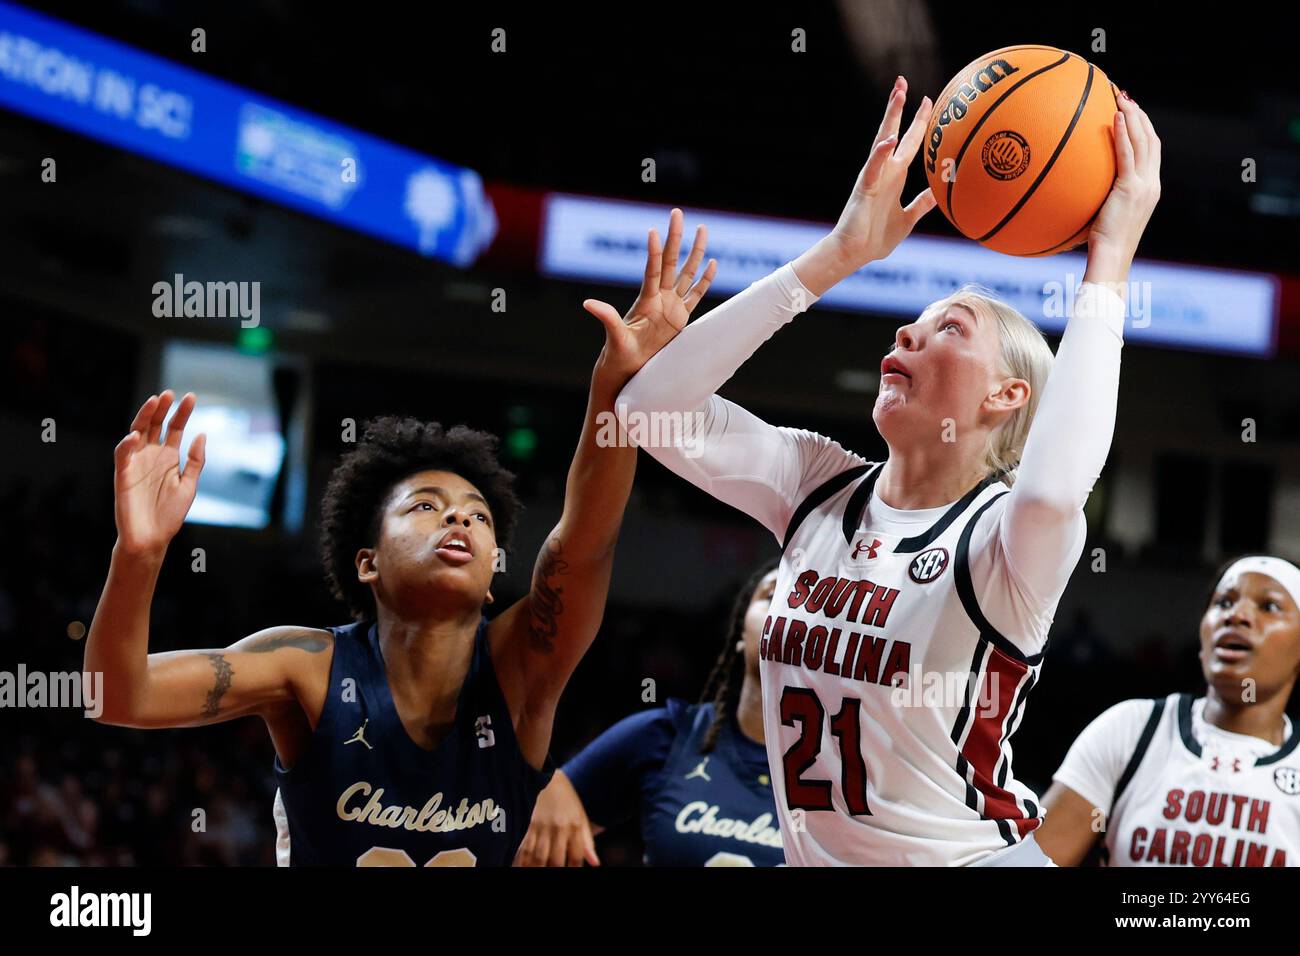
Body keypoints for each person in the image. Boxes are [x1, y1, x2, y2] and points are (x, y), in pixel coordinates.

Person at [612, 77, 1161, 865]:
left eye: (950, 329)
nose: (907, 332)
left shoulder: (1004, 538)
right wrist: (838, 256)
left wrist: (1110, 260)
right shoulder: (817, 484)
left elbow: (1051, 490)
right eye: (912, 321)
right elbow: (646, 411)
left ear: (1006, 396)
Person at [83, 212, 718, 866]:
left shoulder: (521, 662)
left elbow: (585, 541)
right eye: (425, 506)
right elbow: (115, 697)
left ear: (493, 569)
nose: (459, 520)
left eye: (478, 516)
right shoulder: (306, 666)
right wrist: (139, 554)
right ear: (368, 563)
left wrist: (617, 388)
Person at [1037, 555, 1300, 867]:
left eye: (1269, 606)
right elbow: (1034, 860)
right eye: (1224, 603)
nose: (1237, 615)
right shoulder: (1131, 729)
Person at [515, 562, 784, 866]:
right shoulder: (665, 734)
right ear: (740, 633)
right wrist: (552, 785)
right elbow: (525, 820)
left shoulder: (833, 772)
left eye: (806, 606)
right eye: (773, 595)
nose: (789, 613)